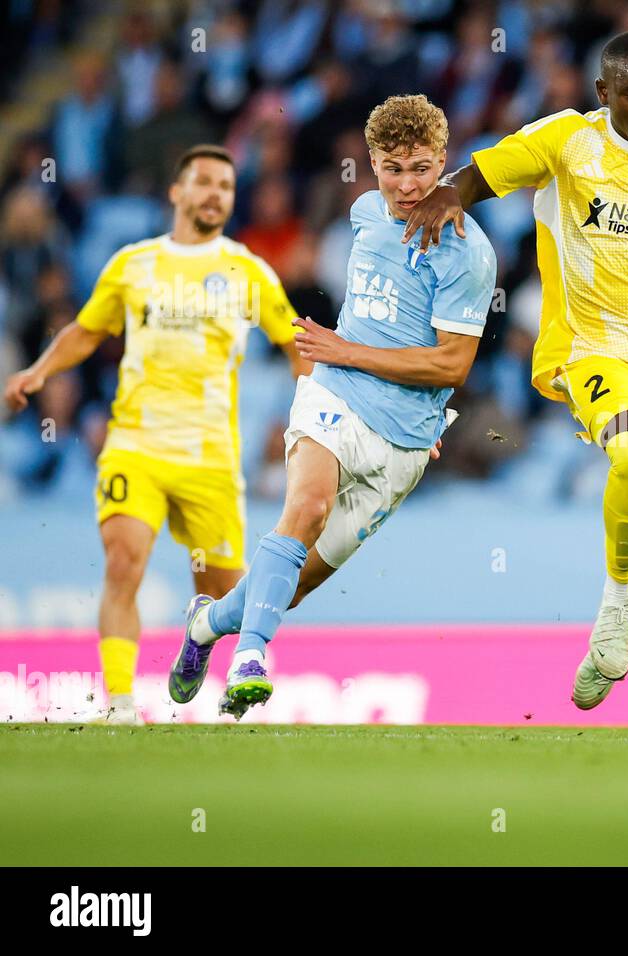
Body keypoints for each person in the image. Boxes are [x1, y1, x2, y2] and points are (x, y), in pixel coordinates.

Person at [401, 31, 628, 709]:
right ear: (605, 94)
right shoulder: (569, 140)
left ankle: (626, 600)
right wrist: (445, 198)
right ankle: (614, 599)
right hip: (591, 350)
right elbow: (484, 173)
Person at [167, 94, 496, 719]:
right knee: (306, 507)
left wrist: (408, 396)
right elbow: (379, 322)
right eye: (393, 168)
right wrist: (339, 356)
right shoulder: (366, 213)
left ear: (444, 162)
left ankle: (206, 626)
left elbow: (452, 365)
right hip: (333, 395)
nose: (407, 185)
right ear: (371, 165)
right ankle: (252, 660)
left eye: (422, 168)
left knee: (288, 586)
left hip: (403, 442)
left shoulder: (469, 253)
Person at [4, 145, 306, 724]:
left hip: (212, 458)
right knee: (123, 563)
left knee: (226, 594)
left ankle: (202, 641)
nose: (217, 193)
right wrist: (39, 371)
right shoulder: (133, 265)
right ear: (177, 192)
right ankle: (118, 705)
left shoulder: (248, 271)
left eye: (227, 186)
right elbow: (87, 330)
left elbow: (296, 345)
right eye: (205, 182)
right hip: (135, 447)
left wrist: (314, 417)